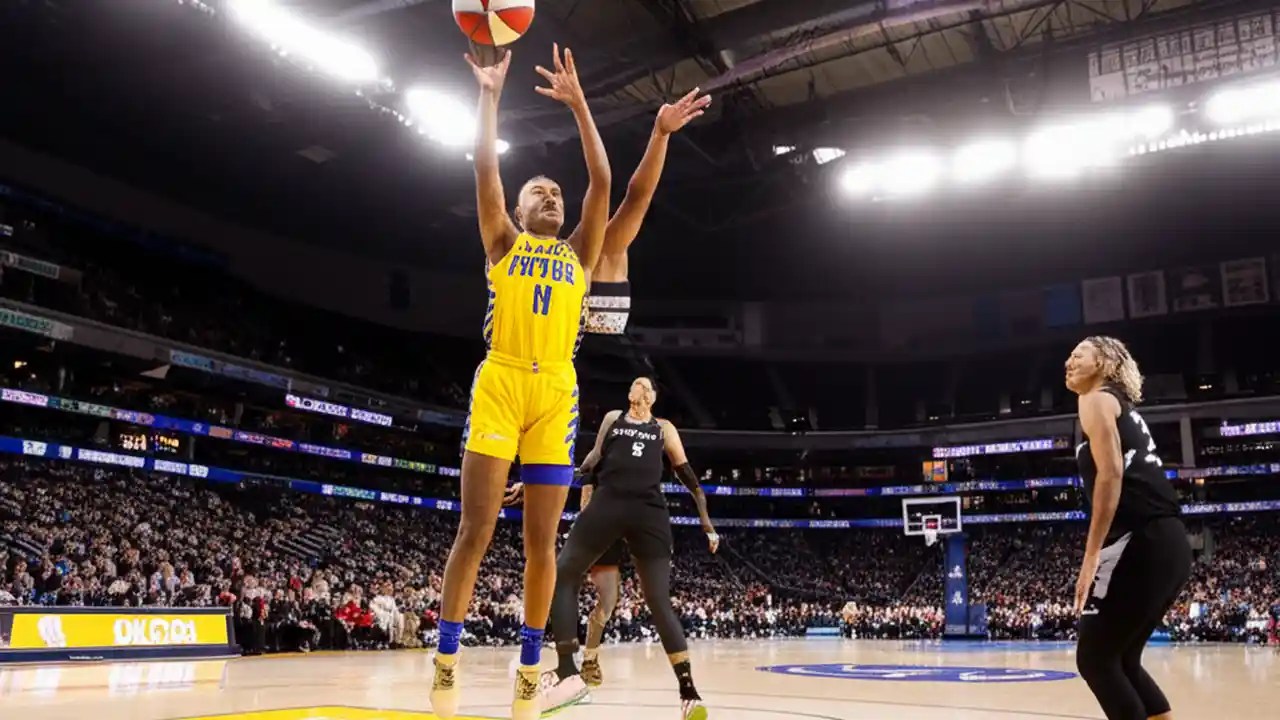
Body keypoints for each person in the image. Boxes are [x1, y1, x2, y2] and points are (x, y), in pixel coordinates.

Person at [430, 43, 611, 720]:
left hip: (556, 391)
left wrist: (580, 103)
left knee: (544, 546)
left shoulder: (580, 253)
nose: (554, 194)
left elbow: (600, 180)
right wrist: (488, 95)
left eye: (555, 192)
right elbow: (484, 165)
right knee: (475, 529)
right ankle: (446, 661)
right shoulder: (503, 241)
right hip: (502, 381)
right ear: (520, 206)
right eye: (540, 189)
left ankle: (531, 670)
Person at [542, 377, 718, 719]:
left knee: (657, 599)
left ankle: (689, 692)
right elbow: (591, 462)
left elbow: (690, 479)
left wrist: (707, 524)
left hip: (648, 512)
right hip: (607, 504)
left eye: (642, 383)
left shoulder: (664, 429)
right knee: (564, 572)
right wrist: (549, 481)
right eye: (634, 383)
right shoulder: (613, 419)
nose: (635, 386)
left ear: (650, 396)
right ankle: (569, 671)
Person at [1065, 336, 1191, 720]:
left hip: (1142, 538)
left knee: (1095, 659)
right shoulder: (1119, 405)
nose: (1068, 362)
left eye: (1078, 355)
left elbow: (1112, 473)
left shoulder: (1096, 398)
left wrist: (1090, 558)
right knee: (1122, 661)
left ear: (1103, 362)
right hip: (1168, 541)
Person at [583, 88, 710, 336]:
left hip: (606, 361)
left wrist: (660, 134)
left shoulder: (600, 257)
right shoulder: (517, 265)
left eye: (554, 193)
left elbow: (636, 199)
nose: (549, 199)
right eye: (538, 192)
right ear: (520, 215)